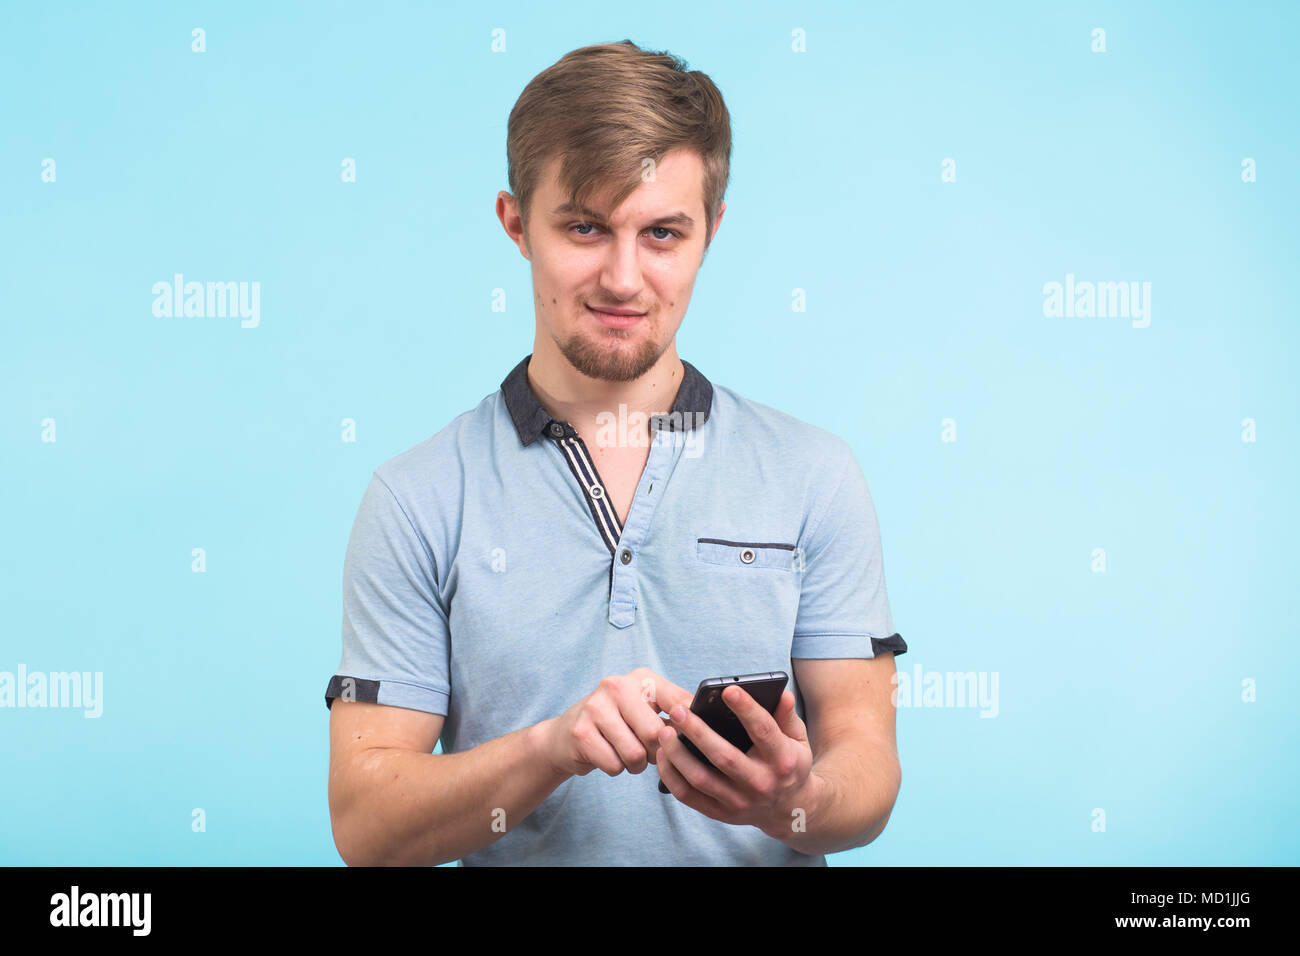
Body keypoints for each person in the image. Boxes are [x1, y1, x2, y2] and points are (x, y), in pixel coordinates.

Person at [323, 39, 907, 866]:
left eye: (664, 233)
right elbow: (366, 826)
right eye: (586, 227)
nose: (624, 279)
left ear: (711, 233)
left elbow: (869, 769)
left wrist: (797, 803)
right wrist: (549, 749)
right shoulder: (417, 496)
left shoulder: (814, 474)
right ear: (516, 223)